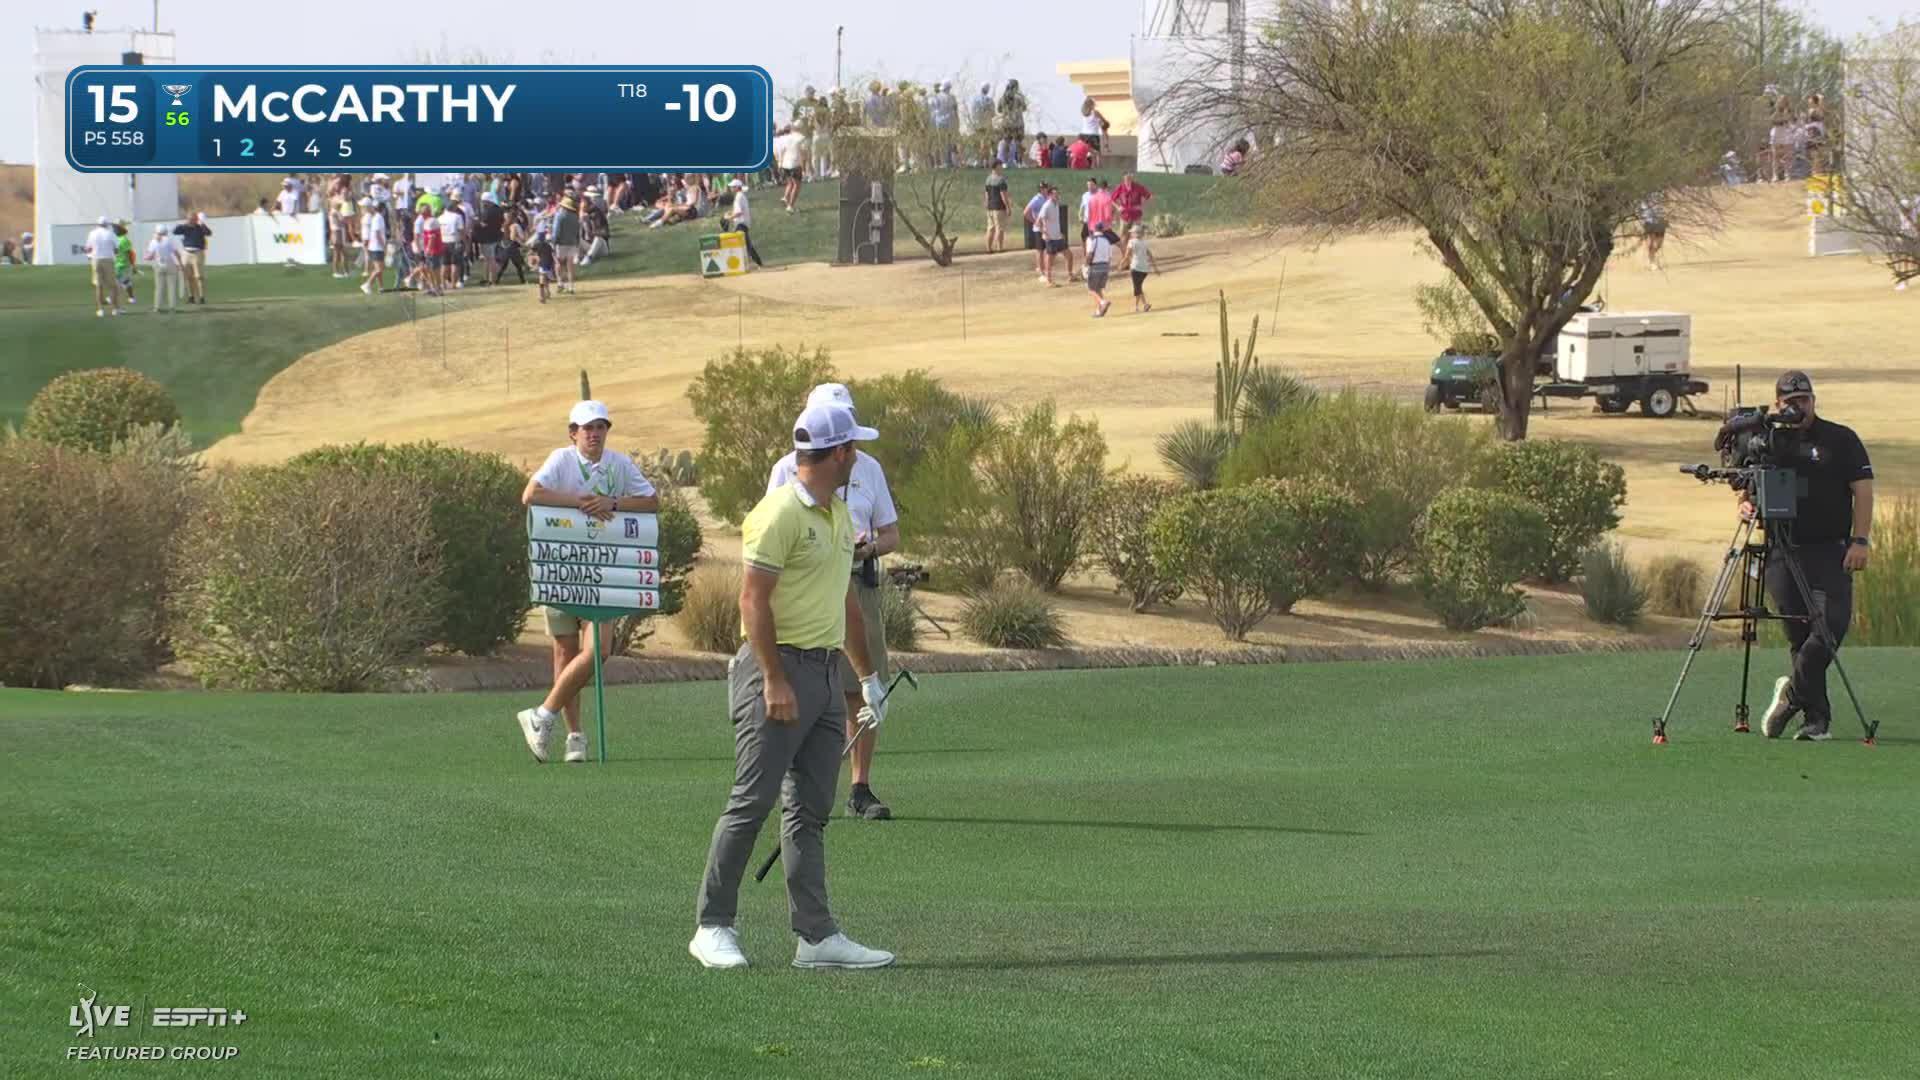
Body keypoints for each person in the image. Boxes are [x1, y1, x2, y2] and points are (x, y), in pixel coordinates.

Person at [689, 401, 896, 972]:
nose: (858, 456)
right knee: (752, 801)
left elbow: (846, 601)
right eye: (853, 447)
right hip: (774, 671)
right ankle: (712, 925)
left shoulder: (834, 515)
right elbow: (751, 600)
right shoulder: (779, 513)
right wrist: (775, 679)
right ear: (837, 453)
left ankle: (815, 936)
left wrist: (866, 676)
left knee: (809, 809)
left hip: (828, 675)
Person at [765, 384, 902, 820]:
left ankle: (859, 787)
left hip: (855, 585)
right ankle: (798, 785)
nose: (852, 448)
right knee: (805, 685)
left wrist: (866, 549)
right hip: (803, 591)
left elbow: (891, 534)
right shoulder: (785, 470)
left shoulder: (870, 470)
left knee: (861, 688)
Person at [516, 401, 660, 763]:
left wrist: (611, 502)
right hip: (562, 567)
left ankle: (542, 714)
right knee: (565, 653)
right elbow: (531, 495)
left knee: (599, 650)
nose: (594, 434)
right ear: (573, 433)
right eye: (587, 428)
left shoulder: (620, 464)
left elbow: (651, 501)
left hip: (604, 573)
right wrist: (581, 502)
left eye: (600, 427)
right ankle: (574, 738)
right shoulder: (561, 460)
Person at [1749, 371, 1874, 742]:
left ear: (1813, 401)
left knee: (1829, 629)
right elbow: (1748, 482)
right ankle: (1816, 721)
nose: (1797, 407)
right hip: (1783, 549)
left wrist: (1861, 540)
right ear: (1777, 404)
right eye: (1789, 401)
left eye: (1804, 400)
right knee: (1798, 634)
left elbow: (1863, 491)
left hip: (1832, 548)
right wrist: (1744, 504)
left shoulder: (1841, 439)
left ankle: (1791, 695)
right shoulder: (1770, 442)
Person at [724, 178, 765, 268]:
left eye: (732, 187)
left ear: (737, 187)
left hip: (741, 224)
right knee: (745, 245)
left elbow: (739, 212)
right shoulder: (741, 196)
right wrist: (731, 213)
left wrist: (729, 217)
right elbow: (739, 210)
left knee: (746, 245)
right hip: (742, 224)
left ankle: (758, 263)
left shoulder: (738, 197)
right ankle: (754, 263)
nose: (731, 188)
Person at [85, 216, 122, 316]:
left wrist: (90, 256)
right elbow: (117, 249)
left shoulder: (92, 233)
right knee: (112, 286)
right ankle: (114, 309)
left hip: (96, 260)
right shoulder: (110, 233)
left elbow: (88, 248)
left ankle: (100, 310)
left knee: (99, 285)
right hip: (108, 260)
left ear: (98, 224)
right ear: (106, 224)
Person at [172, 212, 211, 304]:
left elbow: (208, 233)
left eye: (192, 219)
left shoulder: (200, 227)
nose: (190, 220)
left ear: (195, 219)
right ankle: (191, 297)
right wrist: (185, 224)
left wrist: (202, 224)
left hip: (197, 253)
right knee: (188, 277)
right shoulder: (185, 227)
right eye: (188, 218)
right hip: (186, 253)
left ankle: (201, 297)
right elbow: (175, 231)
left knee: (199, 277)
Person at [144, 225, 183, 313]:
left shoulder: (153, 241)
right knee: (172, 287)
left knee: (158, 288)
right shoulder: (169, 240)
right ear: (165, 232)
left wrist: (147, 257)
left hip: (158, 264)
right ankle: (172, 308)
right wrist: (180, 264)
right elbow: (176, 253)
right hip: (170, 263)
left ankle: (157, 307)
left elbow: (150, 256)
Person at [1125, 223, 1160, 313]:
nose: (1131, 234)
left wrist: (1121, 263)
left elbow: (1127, 254)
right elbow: (1150, 255)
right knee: (1138, 287)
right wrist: (1155, 268)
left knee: (1137, 287)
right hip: (1145, 268)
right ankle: (1137, 306)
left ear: (1135, 233)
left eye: (1132, 233)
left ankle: (1144, 304)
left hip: (1136, 267)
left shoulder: (1131, 242)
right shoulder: (1145, 243)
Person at [552, 194, 582, 293]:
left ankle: (560, 283)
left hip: (561, 243)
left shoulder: (560, 216)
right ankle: (571, 286)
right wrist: (577, 242)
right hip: (572, 242)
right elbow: (578, 231)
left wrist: (554, 242)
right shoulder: (575, 217)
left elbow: (556, 231)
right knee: (570, 265)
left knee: (559, 263)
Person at [1085, 223, 1116, 317]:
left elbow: (1089, 254)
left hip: (1095, 266)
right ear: (1102, 230)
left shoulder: (1091, 239)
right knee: (1098, 289)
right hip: (1105, 266)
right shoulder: (1107, 241)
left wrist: (1086, 264)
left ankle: (1103, 302)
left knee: (1091, 289)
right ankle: (1099, 311)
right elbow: (1110, 257)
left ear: (1094, 229)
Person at [1037, 183, 1065, 286]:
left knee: (1067, 254)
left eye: (1057, 194)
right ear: (1049, 195)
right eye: (1054, 194)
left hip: (1057, 236)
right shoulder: (1047, 205)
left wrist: (1060, 233)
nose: (1057, 195)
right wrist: (1044, 232)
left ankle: (1070, 276)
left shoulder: (1056, 204)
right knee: (1050, 257)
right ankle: (1048, 280)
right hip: (1050, 237)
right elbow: (1039, 221)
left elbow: (1055, 221)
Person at [997, 79, 1028, 170]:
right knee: (1018, 143)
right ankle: (1019, 162)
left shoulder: (1002, 97)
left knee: (1007, 142)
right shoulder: (1019, 97)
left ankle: (1005, 162)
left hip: (1006, 123)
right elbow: (1024, 108)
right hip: (1017, 123)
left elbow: (999, 110)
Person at [359, 197, 387, 294]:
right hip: (377, 247)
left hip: (374, 246)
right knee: (380, 268)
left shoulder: (376, 217)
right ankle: (367, 284)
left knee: (378, 269)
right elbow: (377, 233)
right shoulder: (379, 218)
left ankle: (381, 287)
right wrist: (384, 246)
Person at [983, 160, 1010, 253]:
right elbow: (1003, 195)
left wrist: (986, 203)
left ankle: (988, 248)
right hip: (999, 206)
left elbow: (986, 193)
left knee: (990, 228)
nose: (1002, 167)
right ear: (997, 166)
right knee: (1000, 228)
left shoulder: (988, 179)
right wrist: (1008, 206)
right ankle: (999, 247)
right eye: (1000, 165)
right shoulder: (1001, 180)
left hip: (990, 206)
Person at [1023, 182, 1049, 279]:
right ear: (1040, 189)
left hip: (1046, 228)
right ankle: (1041, 270)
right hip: (1038, 229)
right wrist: (1035, 222)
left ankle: (1045, 269)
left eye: (1046, 187)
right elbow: (1026, 212)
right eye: (1043, 188)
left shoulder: (1047, 198)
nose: (1045, 189)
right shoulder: (1036, 199)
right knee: (1040, 250)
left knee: (1047, 250)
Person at [112, 221, 138, 308]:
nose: (114, 230)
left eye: (116, 228)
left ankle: (118, 304)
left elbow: (130, 254)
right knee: (125, 282)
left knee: (118, 285)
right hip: (118, 264)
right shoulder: (116, 239)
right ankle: (131, 297)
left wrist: (133, 265)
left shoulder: (123, 240)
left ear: (120, 230)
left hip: (122, 265)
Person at [1639, 195, 1667, 271]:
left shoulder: (1660, 192)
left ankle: (1650, 256)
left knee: (1659, 244)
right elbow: (1641, 208)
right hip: (1649, 221)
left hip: (1660, 219)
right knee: (1652, 242)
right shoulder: (1644, 193)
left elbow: (1665, 203)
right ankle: (1652, 262)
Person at [530, 225, 556, 302]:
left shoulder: (537, 245)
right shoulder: (548, 245)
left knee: (541, 280)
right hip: (549, 264)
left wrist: (533, 260)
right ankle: (547, 292)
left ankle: (542, 296)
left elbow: (530, 252)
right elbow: (553, 254)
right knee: (546, 279)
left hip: (543, 264)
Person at [1079, 97, 1108, 166]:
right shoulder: (1095, 112)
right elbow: (1104, 121)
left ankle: (1092, 166)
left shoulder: (1083, 113)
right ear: (1091, 104)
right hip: (1093, 135)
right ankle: (1098, 167)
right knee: (1097, 153)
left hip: (1083, 135)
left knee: (1091, 153)